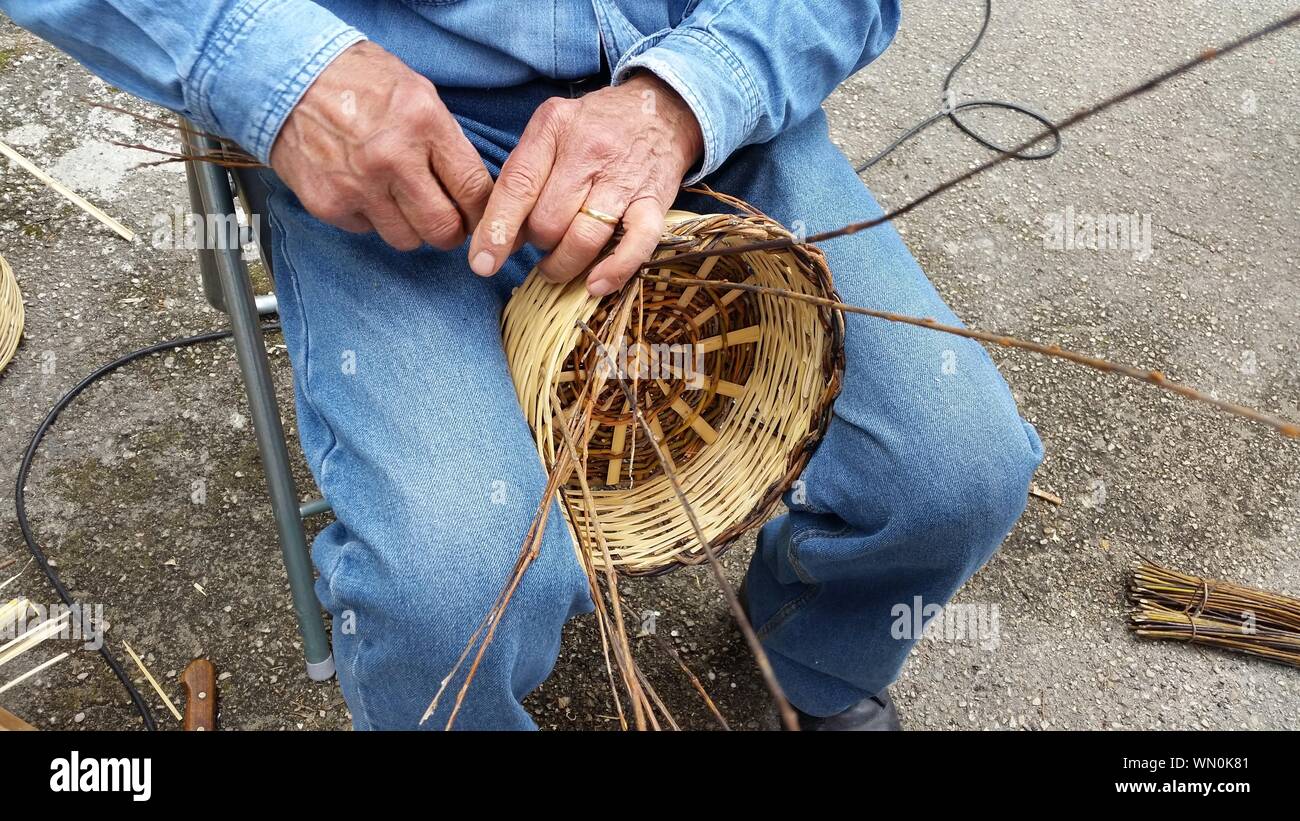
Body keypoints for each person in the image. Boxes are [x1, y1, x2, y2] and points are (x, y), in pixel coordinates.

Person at [1, 0, 1043, 730]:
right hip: (386, 124)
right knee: (452, 588)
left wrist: (684, 96)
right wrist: (271, 65)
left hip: (687, 86)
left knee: (955, 472)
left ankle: (807, 647)